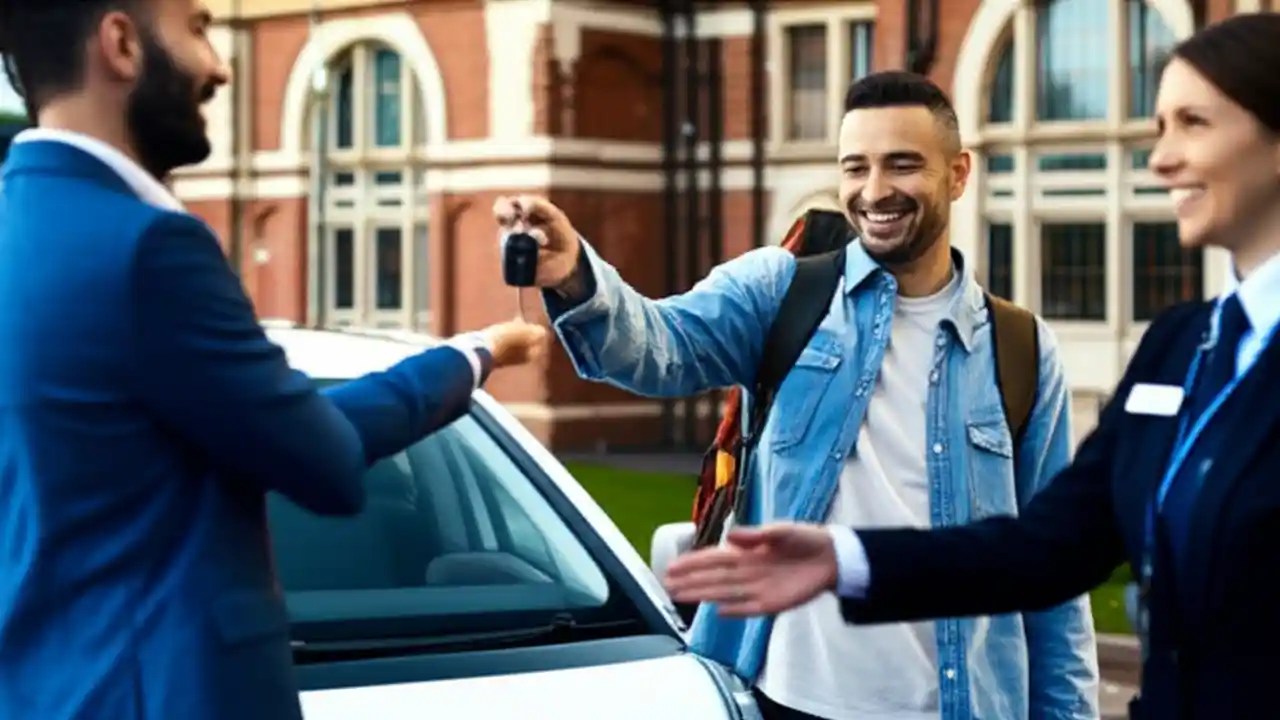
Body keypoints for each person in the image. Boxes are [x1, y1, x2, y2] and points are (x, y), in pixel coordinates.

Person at [663, 12, 1280, 720]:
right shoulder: (1180, 343)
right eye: (1160, 127)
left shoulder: (1027, 346)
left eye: (1194, 124)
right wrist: (847, 560)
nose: (1161, 159)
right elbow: (1049, 549)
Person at [0, 2, 547, 720]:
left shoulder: (18, 229)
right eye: (198, 29)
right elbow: (325, 459)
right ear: (123, 44)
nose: (220, 66)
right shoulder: (150, 249)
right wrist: (473, 355)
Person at [495, 71, 1098, 720]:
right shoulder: (782, 292)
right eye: (855, 167)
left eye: (902, 165)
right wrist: (575, 275)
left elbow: (1054, 574)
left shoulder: (1020, 349)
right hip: (785, 703)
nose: (874, 191)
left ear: (958, 174)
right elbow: (657, 346)